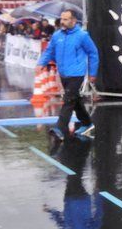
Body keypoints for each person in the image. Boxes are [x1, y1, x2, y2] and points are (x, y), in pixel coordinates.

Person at [37, 9, 98, 140]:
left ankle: (59, 129)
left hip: (77, 74)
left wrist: (92, 73)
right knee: (75, 100)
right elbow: (49, 51)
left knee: (68, 100)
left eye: (65, 19)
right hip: (63, 73)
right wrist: (41, 63)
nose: (62, 22)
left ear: (73, 21)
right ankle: (87, 123)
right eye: (61, 19)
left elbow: (93, 53)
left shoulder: (82, 36)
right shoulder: (57, 35)